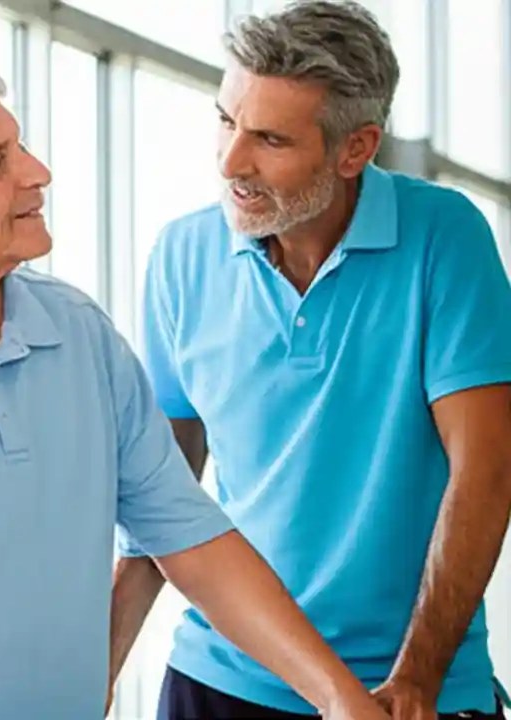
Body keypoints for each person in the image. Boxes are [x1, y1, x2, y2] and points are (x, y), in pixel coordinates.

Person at [0, 55, 388, 719]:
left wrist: (341, 699)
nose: (37, 172)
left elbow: (193, 541)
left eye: (18, 145)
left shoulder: (76, 331)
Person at [111, 2, 511, 718]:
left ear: (354, 150)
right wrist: (100, 665)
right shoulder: (182, 255)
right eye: (226, 120)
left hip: (406, 689)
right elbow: (160, 492)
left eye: (269, 138)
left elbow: (487, 470)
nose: (232, 161)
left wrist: (418, 677)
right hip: (221, 678)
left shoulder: (444, 239)